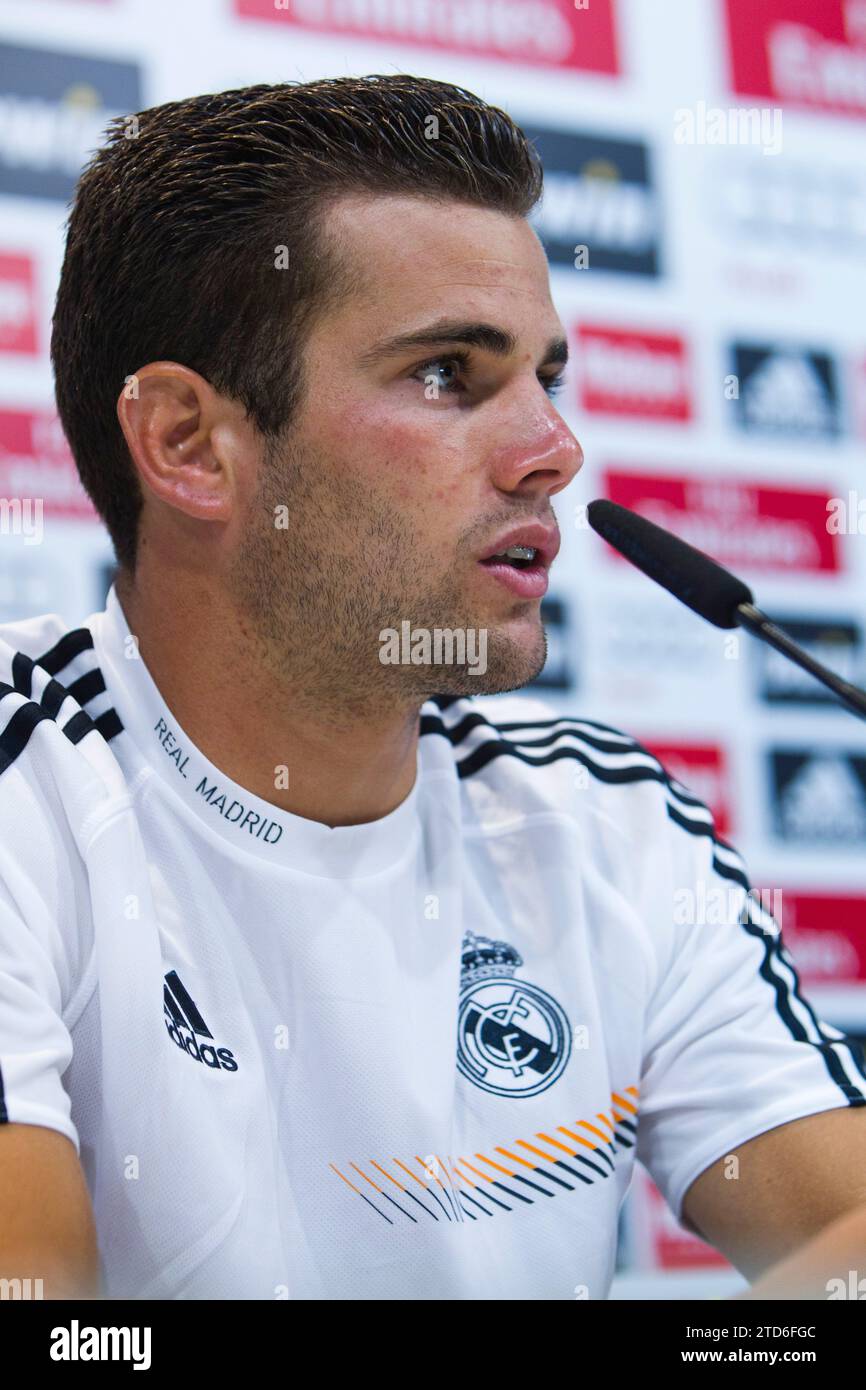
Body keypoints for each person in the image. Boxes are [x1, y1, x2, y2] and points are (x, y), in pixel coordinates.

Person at [1, 74, 864, 1301]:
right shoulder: (29, 793)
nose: (554, 451)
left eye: (545, 378)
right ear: (188, 443)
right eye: (446, 374)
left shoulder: (607, 826)